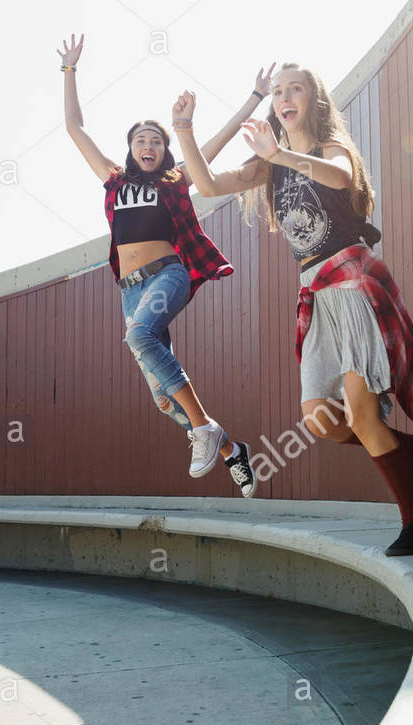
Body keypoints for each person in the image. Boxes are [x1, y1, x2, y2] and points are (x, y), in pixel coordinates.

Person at [177, 64, 413, 556]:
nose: (285, 97)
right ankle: (408, 449)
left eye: (294, 89)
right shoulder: (269, 166)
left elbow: (341, 176)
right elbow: (207, 185)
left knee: (364, 416)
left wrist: (281, 152)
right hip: (316, 295)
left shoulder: (327, 149)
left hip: (352, 283)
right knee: (321, 421)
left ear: (313, 100)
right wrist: (184, 130)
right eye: (278, 92)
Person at [57, 33, 256, 496]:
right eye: (140, 140)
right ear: (130, 149)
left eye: (156, 141)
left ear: (164, 151)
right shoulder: (113, 180)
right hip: (130, 288)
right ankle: (230, 449)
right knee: (165, 401)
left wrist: (254, 98)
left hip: (170, 273)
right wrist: (68, 71)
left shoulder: (174, 179)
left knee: (139, 335)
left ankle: (203, 430)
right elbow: (74, 128)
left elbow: (215, 145)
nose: (148, 145)